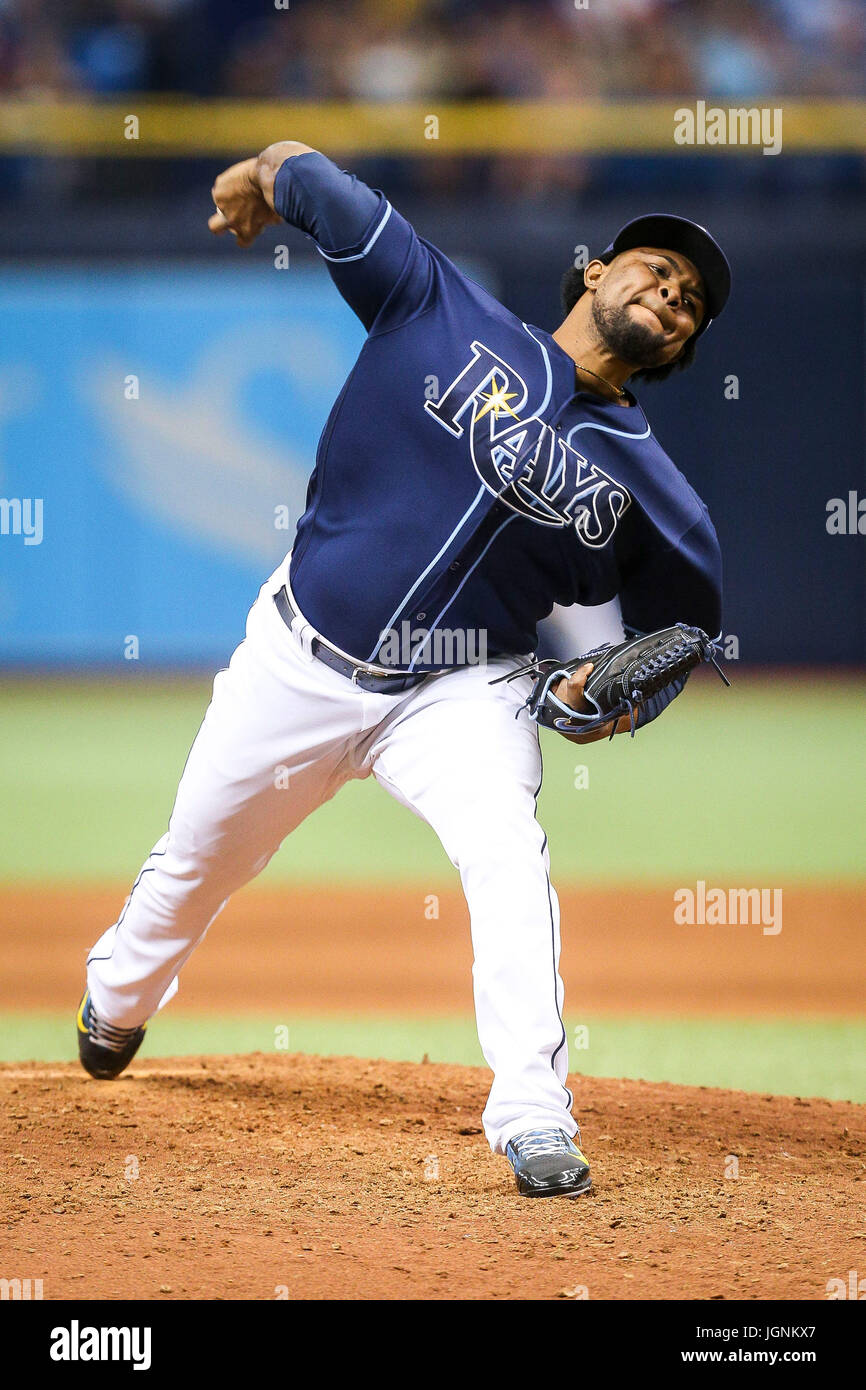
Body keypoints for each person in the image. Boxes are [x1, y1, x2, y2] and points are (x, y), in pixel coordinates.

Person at [77, 141, 730, 1200]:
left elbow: (681, 636)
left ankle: (532, 1113)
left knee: (509, 864)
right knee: (196, 861)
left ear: (682, 344)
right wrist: (261, 172)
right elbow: (325, 189)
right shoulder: (440, 307)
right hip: (297, 657)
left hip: (462, 692)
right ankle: (118, 997)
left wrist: (608, 702)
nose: (668, 291)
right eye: (652, 267)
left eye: (690, 299)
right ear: (590, 274)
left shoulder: (663, 500)